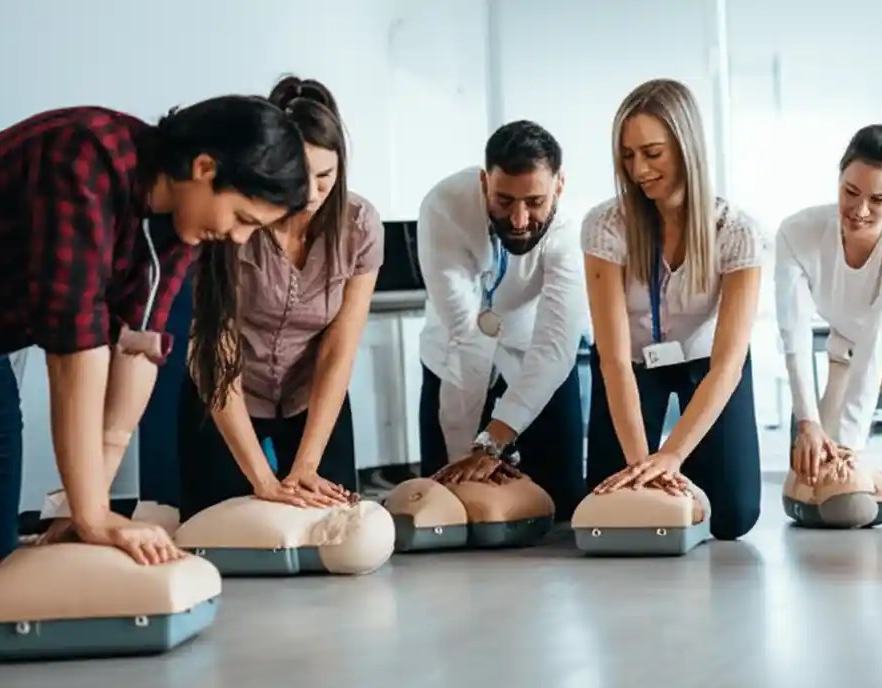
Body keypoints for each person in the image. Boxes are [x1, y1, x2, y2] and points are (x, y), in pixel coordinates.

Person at [0, 95, 310, 572]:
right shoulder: (84, 156)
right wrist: (94, 513)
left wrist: (85, 509)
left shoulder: (180, 225)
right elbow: (75, 348)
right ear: (204, 167)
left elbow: (141, 345)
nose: (240, 238)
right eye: (242, 218)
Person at [176, 77, 381, 520]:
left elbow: (338, 349)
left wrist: (305, 464)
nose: (311, 195)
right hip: (227, 394)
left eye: (326, 177)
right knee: (221, 526)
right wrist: (263, 480)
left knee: (332, 520)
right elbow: (218, 350)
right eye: (299, 179)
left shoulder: (360, 226)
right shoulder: (232, 223)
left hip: (310, 399)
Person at [582, 78, 767, 541]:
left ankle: (684, 473)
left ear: (686, 148)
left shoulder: (738, 232)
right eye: (627, 156)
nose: (639, 169)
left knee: (734, 515)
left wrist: (670, 457)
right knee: (610, 500)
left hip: (707, 365)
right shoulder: (606, 226)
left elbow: (727, 365)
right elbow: (613, 358)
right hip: (635, 365)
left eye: (652, 152)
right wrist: (643, 469)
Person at [417, 120, 588, 522]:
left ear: (559, 185)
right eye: (504, 200)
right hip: (453, 353)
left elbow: (556, 344)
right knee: (444, 505)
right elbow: (465, 328)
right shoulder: (443, 205)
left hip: (535, 355)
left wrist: (495, 439)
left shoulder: (572, 229)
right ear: (484, 182)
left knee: (562, 503)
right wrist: (469, 453)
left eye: (534, 201)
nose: (519, 219)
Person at [775, 124, 882, 513]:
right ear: (839, 177)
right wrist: (809, 422)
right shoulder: (797, 233)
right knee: (816, 491)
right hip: (848, 354)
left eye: (878, 199)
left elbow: (880, 330)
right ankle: (871, 483)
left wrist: (850, 449)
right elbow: (795, 335)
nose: (860, 210)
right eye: (850, 192)